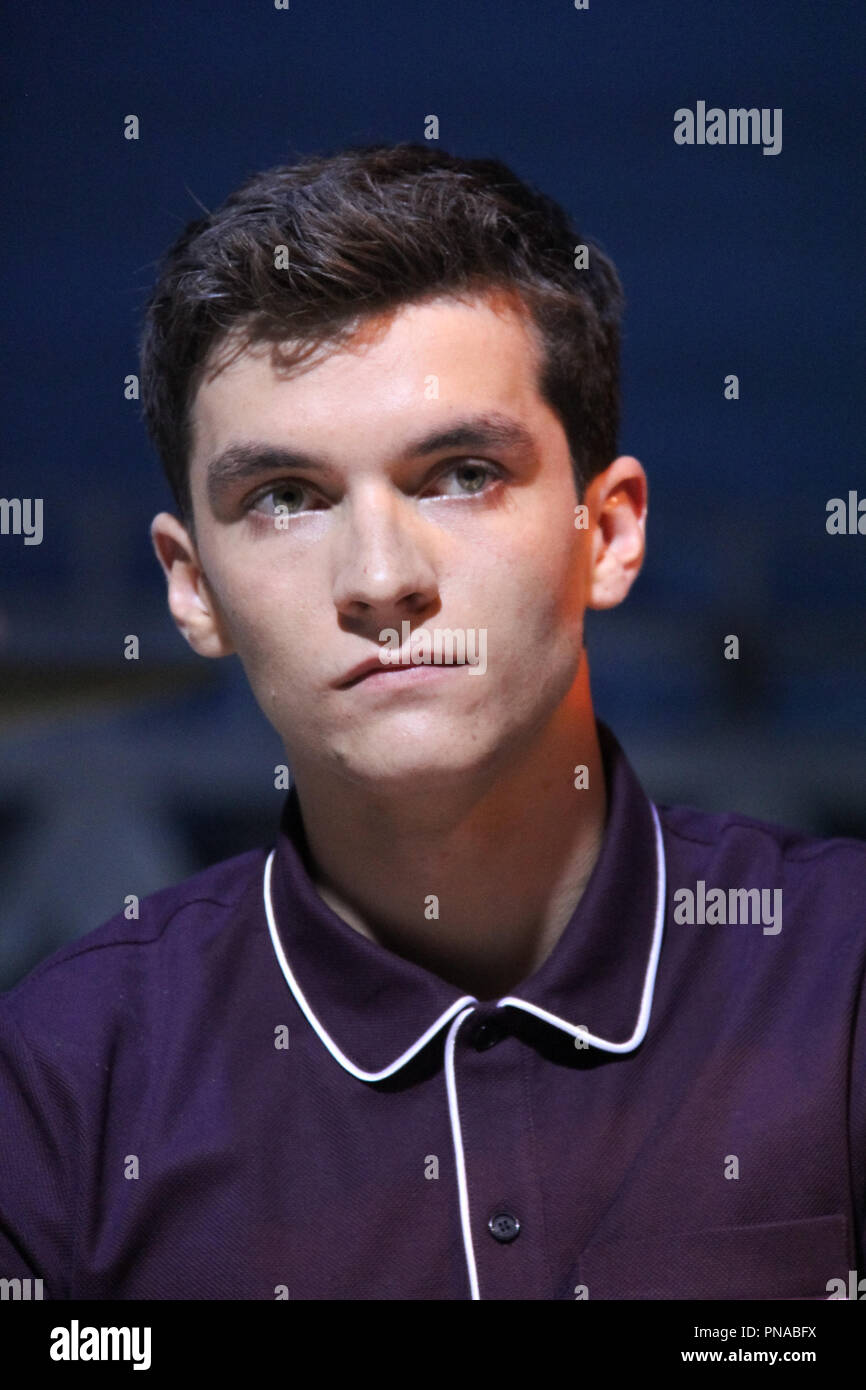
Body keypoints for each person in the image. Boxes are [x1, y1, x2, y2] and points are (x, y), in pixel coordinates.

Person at [1, 144, 863, 1301]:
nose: (378, 577)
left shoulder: (840, 975)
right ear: (191, 587)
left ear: (603, 532)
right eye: (286, 499)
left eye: (460, 473)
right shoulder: (62, 1081)